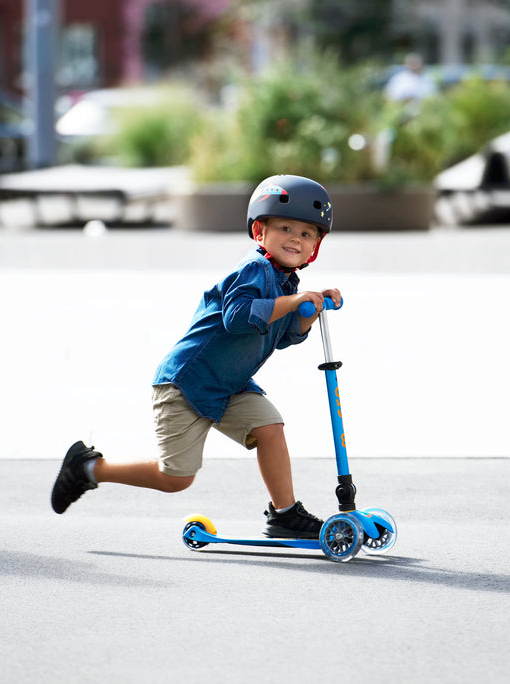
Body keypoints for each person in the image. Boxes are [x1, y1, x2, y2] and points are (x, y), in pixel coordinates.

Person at [50, 174, 342, 539]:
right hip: (187, 382)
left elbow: (285, 337)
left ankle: (285, 514)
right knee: (175, 479)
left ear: (316, 244)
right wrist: (293, 302)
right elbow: (238, 318)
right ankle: (89, 469)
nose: (295, 239)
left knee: (270, 428)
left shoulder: (287, 283)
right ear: (260, 231)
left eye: (306, 234)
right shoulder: (253, 268)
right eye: (285, 228)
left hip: (229, 385)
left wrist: (310, 308)